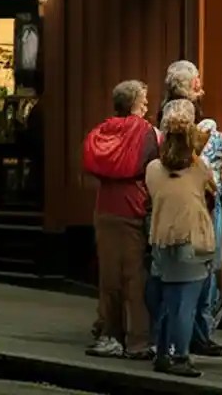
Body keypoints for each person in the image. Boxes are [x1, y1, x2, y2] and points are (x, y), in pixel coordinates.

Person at [158, 60, 222, 359]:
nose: (201, 84)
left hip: (187, 206)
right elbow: (194, 161)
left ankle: (185, 339)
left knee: (186, 278)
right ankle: (193, 339)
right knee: (199, 272)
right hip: (198, 205)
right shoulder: (183, 113)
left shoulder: (173, 109)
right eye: (197, 79)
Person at [83, 80, 158, 360]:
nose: (148, 105)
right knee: (134, 277)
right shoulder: (144, 131)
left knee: (109, 277)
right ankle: (137, 340)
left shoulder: (102, 130)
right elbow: (152, 162)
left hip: (105, 207)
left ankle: (109, 335)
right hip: (132, 206)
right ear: (136, 103)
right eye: (145, 100)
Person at [146, 99, 217, 378]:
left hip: (161, 239)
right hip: (192, 239)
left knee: (167, 302)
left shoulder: (152, 169)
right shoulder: (198, 168)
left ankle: (163, 353)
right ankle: (182, 358)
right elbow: (212, 188)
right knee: (185, 305)